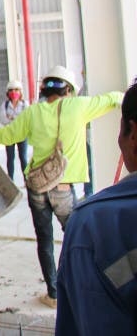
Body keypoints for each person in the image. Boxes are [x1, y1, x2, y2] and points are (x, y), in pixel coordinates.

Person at [0, 65, 123, 309]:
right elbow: (115, 98)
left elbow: (7, 136)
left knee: (45, 241)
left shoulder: (33, 112)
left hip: (36, 187)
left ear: (44, 89)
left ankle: (53, 294)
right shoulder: (80, 106)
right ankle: (82, 287)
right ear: (68, 89)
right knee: (76, 239)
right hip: (62, 188)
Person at [55, 79, 137, 335]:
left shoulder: (94, 228)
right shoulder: (81, 106)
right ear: (68, 89)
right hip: (70, 185)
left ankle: (49, 287)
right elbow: (105, 100)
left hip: (48, 186)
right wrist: (117, 97)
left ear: (131, 134)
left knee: (50, 240)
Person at [0, 80, 29, 182]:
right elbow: (3, 119)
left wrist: (11, 118)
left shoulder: (25, 105)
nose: (14, 92)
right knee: (10, 158)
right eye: (11, 90)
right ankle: (10, 180)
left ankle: (26, 180)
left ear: (20, 92)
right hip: (9, 135)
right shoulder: (5, 105)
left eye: (16, 90)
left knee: (23, 157)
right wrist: (17, 119)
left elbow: (26, 119)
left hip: (22, 134)